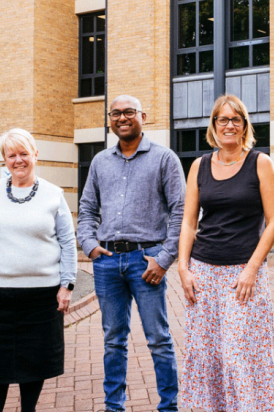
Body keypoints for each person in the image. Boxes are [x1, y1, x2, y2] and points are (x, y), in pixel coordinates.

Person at [77, 95, 185, 412]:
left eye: (129, 112)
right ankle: (114, 406)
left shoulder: (164, 159)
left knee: (158, 339)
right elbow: (86, 210)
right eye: (116, 113)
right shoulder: (99, 162)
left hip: (146, 260)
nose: (122, 118)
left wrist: (164, 260)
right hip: (107, 262)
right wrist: (89, 245)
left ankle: (169, 407)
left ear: (143, 116)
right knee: (113, 340)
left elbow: (180, 212)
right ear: (110, 119)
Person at [177, 94, 274, 411]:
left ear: (244, 125)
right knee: (206, 352)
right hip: (204, 272)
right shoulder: (199, 166)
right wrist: (183, 268)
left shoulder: (260, 163)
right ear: (213, 125)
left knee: (240, 351)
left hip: (243, 274)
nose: (229, 125)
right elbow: (188, 222)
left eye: (235, 119)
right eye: (222, 119)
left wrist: (252, 269)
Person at [0, 128, 75, 412]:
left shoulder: (53, 195)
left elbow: (67, 242)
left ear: (35, 154)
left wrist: (67, 284)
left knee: (33, 362)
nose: (18, 160)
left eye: (24, 153)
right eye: (11, 155)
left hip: (41, 296)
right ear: (4, 159)